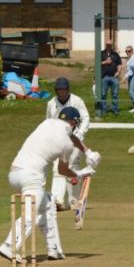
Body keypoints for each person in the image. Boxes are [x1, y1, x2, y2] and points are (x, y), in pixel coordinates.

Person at [0, 107, 100, 261]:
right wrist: (80, 173)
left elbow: (71, 136)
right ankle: (8, 246)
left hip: (14, 173)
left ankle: (54, 249)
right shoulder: (66, 144)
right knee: (30, 214)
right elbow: (63, 170)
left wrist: (88, 152)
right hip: (32, 177)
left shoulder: (47, 122)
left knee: (48, 204)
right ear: (73, 123)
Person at [46, 77, 91, 210]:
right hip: (58, 139)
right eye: (59, 89)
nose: (61, 92)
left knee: (73, 166)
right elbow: (48, 121)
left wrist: (80, 133)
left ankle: (74, 201)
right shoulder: (51, 103)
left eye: (63, 89)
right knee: (57, 168)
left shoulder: (77, 101)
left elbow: (86, 118)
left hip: (74, 138)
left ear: (68, 89)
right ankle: (57, 200)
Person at [99, 42, 122, 116]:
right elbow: (96, 63)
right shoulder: (101, 53)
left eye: (110, 45)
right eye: (107, 45)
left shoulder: (115, 54)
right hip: (104, 77)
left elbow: (119, 64)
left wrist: (118, 72)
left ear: (112, 46)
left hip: (114, 77)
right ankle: (104, 110)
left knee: (115, 94)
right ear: (105, 45)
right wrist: (105, 62)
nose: (108, 46)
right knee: (103, 94)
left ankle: (115, 109)